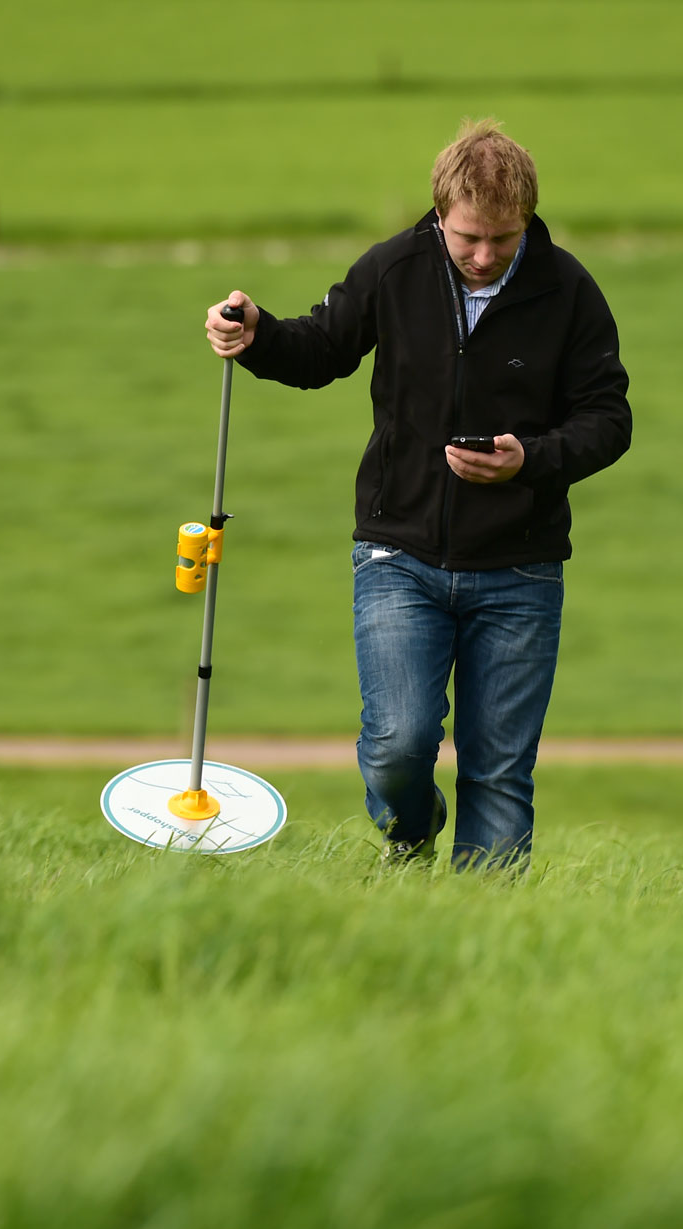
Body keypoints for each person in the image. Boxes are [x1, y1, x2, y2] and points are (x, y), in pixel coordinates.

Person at [203, 118, 631, 868]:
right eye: (468, 237)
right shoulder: (393, 271)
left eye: (503, 237)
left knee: (499, 773)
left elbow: (608, 418)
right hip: (398, 555)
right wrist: (258, 332)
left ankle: (482, 945)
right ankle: (411, 833)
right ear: (440, 215)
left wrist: (530, 459)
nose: (485, 254)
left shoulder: (568, 290)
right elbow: (320, 349)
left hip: (521, 568)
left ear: (527, 218)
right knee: (398, 747)